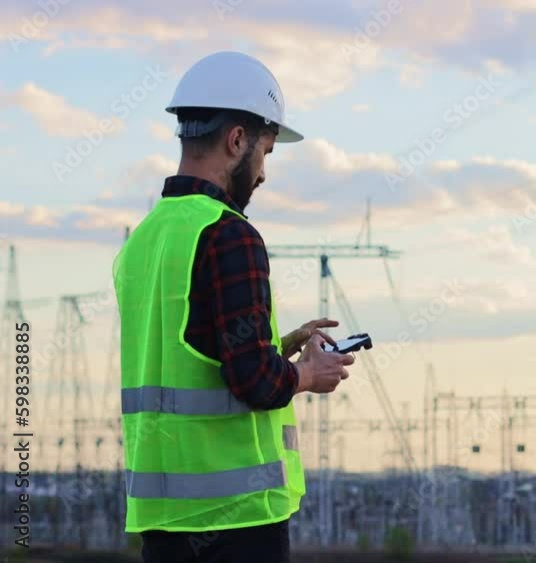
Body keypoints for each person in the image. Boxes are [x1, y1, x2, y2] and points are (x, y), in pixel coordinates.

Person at [112, 51, 354, 563]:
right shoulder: (229, 235)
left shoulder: (143, 241)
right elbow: (254, 383)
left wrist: (279, 346)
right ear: (237, 140)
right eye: (265, 151)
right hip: (237, 517)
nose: (263, 174)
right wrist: (310, 373)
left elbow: (196, 352)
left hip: (162, 520)